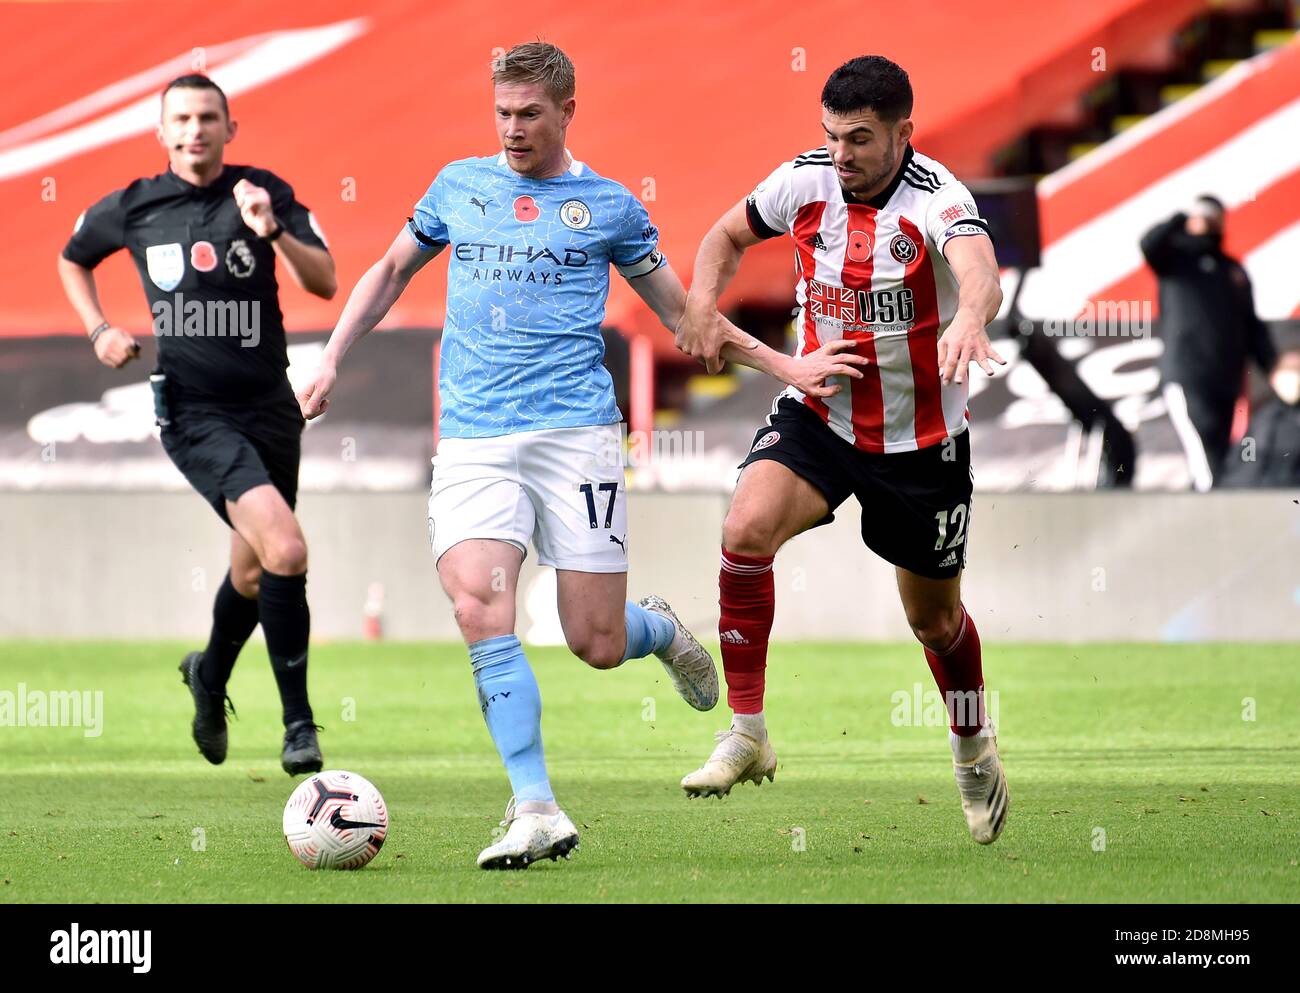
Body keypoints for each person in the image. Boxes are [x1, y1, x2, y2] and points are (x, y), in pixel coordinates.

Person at [298, 42, 852, 870]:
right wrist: (332, 355)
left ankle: (658, 630)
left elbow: (685, 319)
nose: (513, 129)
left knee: (590, 638)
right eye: (502, 113)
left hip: (576, 439)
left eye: (529, 114)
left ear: (566, 112)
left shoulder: (610, 208)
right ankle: (536, 808)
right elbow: (386, 272)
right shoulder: (459, 188)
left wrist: (787, 365)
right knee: (480, 608)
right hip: (476, 440)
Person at [675, 55, 1010, 844]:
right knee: (743, 530)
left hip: (920, 443)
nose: (842, 153)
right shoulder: (802, 181)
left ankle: (971, 744)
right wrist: (699, 299)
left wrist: (968, 319)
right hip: (819, 414)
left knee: (934, 621)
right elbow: (723, 236)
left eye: (859, 138)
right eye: (831, 135)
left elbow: (979, 269)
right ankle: (748, 730)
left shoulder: (939, 198)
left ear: (903, 133)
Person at [57, 74, 337, 775]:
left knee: (253, 568)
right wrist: (98, 330)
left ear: (229, 128)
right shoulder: (135, 207)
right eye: (181, 118)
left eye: (208, 117)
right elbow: (72, 259)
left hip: (271, 408)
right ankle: (298, 725)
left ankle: (208, 676)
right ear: (162, 132)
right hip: (193, 411)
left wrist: (271, 229)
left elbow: (325, 280)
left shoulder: (263, 191)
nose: (195, 129)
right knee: (288, 547)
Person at [1141, 195, 1277, 490]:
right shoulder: (1175, 261)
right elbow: (1150, 245)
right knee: (1207, 464)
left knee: (1222, 457)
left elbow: (1252, 326)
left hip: (1226, 382)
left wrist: (1273, 368)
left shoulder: (1233, 270)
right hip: (1189, 377)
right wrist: (1181, 218)